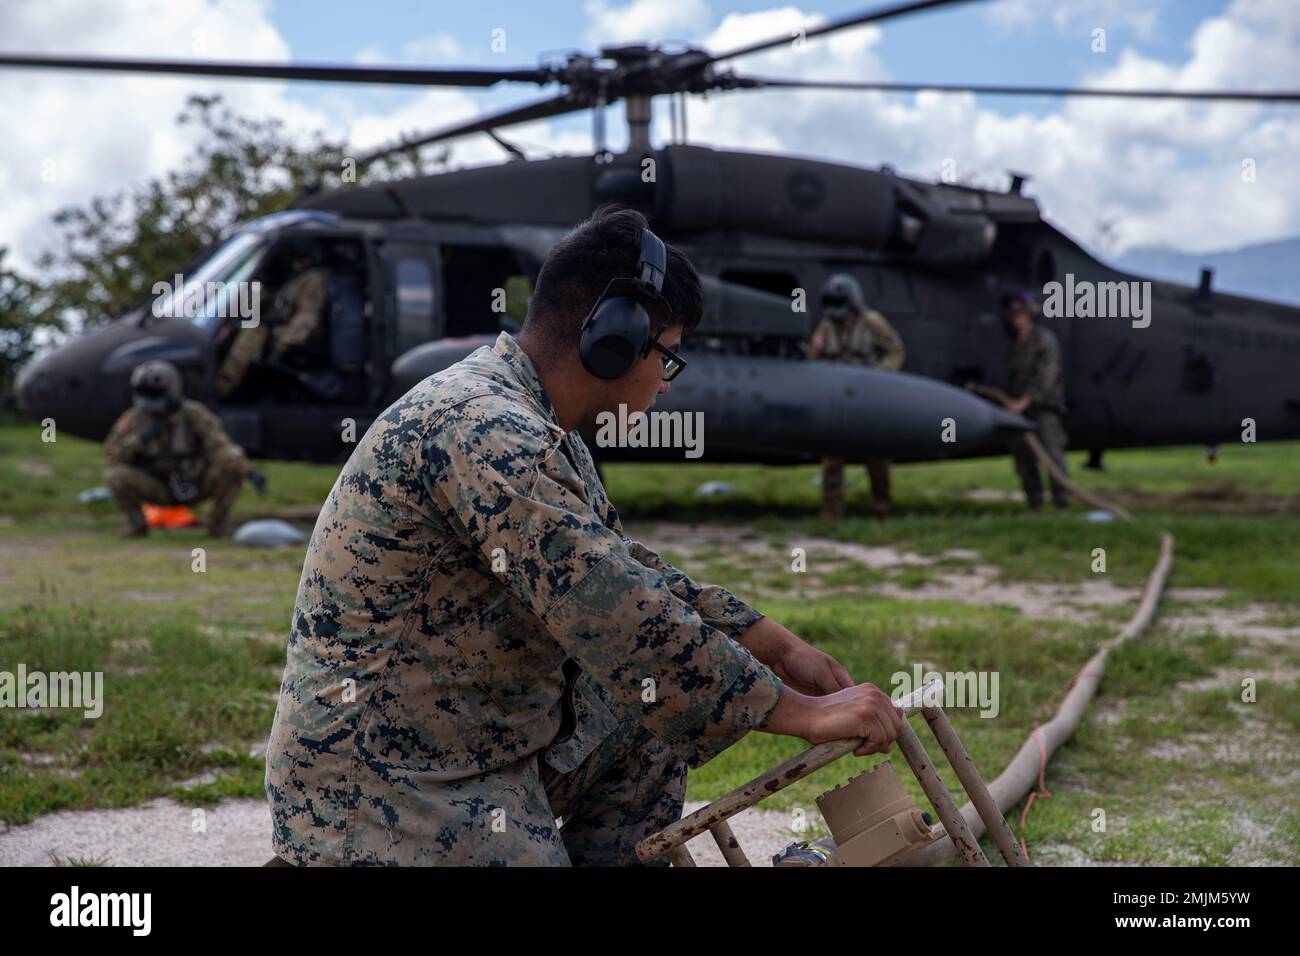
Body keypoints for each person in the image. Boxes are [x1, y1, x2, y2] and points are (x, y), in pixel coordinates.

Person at [263, 207, 904, 867]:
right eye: (668, 354)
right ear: (615, 338)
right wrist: (799, 712)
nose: (664, 381)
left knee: (645, 721)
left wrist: (769, 641)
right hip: (385, 776)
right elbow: (614, 609)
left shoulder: (536, 423)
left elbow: (621, 566)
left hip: (470, 743)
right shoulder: (483, 428)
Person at [104, 360, 260, 537]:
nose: (148, 401)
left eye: (155, 394)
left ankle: (216, 525)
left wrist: (247, 470)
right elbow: (114, 455)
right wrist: (139, 440)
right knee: (115, 476)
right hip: (158, 486)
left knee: (232, 462)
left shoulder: (193, 414)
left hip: (195, 482)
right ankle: (137, 527)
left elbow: (220, 445)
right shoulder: (133, 420)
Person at [807, 273, 906, 519]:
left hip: (867, 398)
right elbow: (813, 357)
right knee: (832, 458)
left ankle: (881, 507)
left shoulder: (872, 321)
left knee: (876, 456)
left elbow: (896, 351)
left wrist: (880, 375)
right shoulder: (826, 326)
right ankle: (832, 509)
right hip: (838, 398)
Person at [215, 249, 330, 397]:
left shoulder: (313, 279)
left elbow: (306, 319)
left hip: (287, 340)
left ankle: (222, 388)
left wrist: (280, 343)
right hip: (273, 332)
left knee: (253, 332)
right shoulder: (287, 278)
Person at [1001, 292, 1070, 511]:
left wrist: (1025, 402)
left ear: (1030, 314)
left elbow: (1046, 377)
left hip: (1044, 408)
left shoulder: (1044, 340)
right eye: (1013, 313)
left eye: (1020, 312)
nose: (1015, 317)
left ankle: (1061, 504)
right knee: (1024, 459)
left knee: (1052, 456)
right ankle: (1035, 504)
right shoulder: (1016, 343)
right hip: (1021, 409)